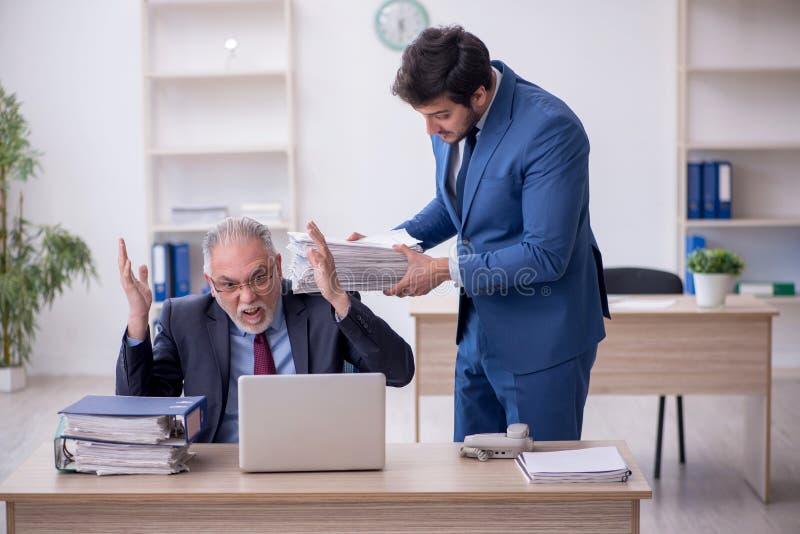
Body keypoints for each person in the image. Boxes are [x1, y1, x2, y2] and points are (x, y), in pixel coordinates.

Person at [367, 25, 609, 442]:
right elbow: (455, 204)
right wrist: (383, 245)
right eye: (423, 116)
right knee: (470, 468)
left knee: (542, 473)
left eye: (439, 116)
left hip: (544, 336)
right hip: (476, 334)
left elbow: (546, 254)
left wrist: (441, 270)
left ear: (478, 95)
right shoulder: (449, 122)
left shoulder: (551, 128)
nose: (430, 130)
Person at [116, 217, 414, 443]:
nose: (248, 297)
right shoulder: (184, 319)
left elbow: (399, 372)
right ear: (211, 284)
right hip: (219, 472)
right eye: (229, 284)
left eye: (259, 277)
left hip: (312, 464)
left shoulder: (323, 307)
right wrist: (137, 319)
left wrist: (338, 297)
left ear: (278, 267)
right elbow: (141, 411)